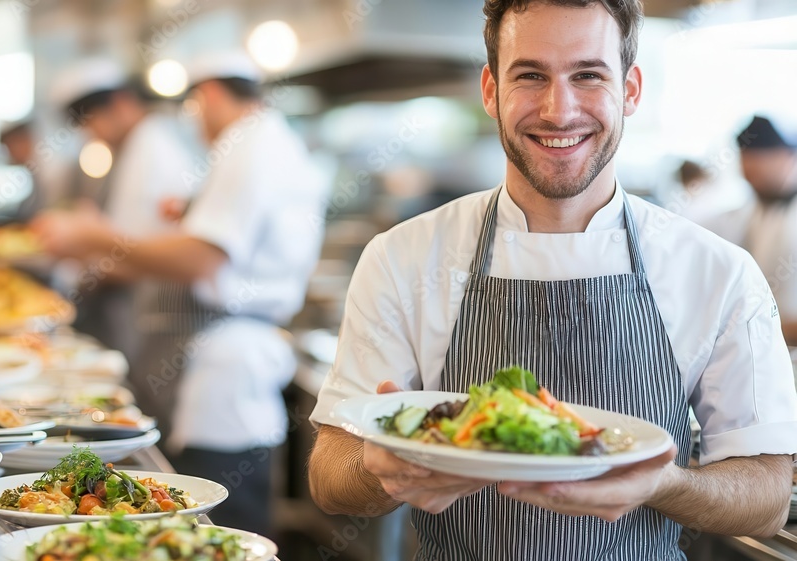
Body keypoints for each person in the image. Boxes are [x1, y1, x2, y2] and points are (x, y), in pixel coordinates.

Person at [307, 1, 797, 560]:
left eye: (588, 75)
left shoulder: (718, 270)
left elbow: (768, 493)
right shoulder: (403, 256)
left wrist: (665, 484)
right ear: (491, 89)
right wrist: (381, 471)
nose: (558, 110)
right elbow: (330, 473)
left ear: (631, 90)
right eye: (530, 75)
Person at [32, 52, 329, 536]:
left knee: (222, 526)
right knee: (204, 519)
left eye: (192, 107)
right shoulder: (260, 144)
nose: (193, 122)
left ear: (208, 95)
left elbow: (204, 257)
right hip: (220, 357)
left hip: (229, 367)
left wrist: (92, 238)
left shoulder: (252, 147)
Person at [45, 58, 193, 360]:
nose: (91, 135)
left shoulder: (152, 151)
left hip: (152, 315)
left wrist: (81, 242)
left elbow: (135, 256)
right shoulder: (137, 147)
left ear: (122, 103)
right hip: (140, 314)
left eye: (91, 122)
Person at [702, 115, 797, 344]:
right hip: (762, 339)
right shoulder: (749, 212)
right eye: (745, 162)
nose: (748, 171)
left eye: (757, 161)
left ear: (785, 157)